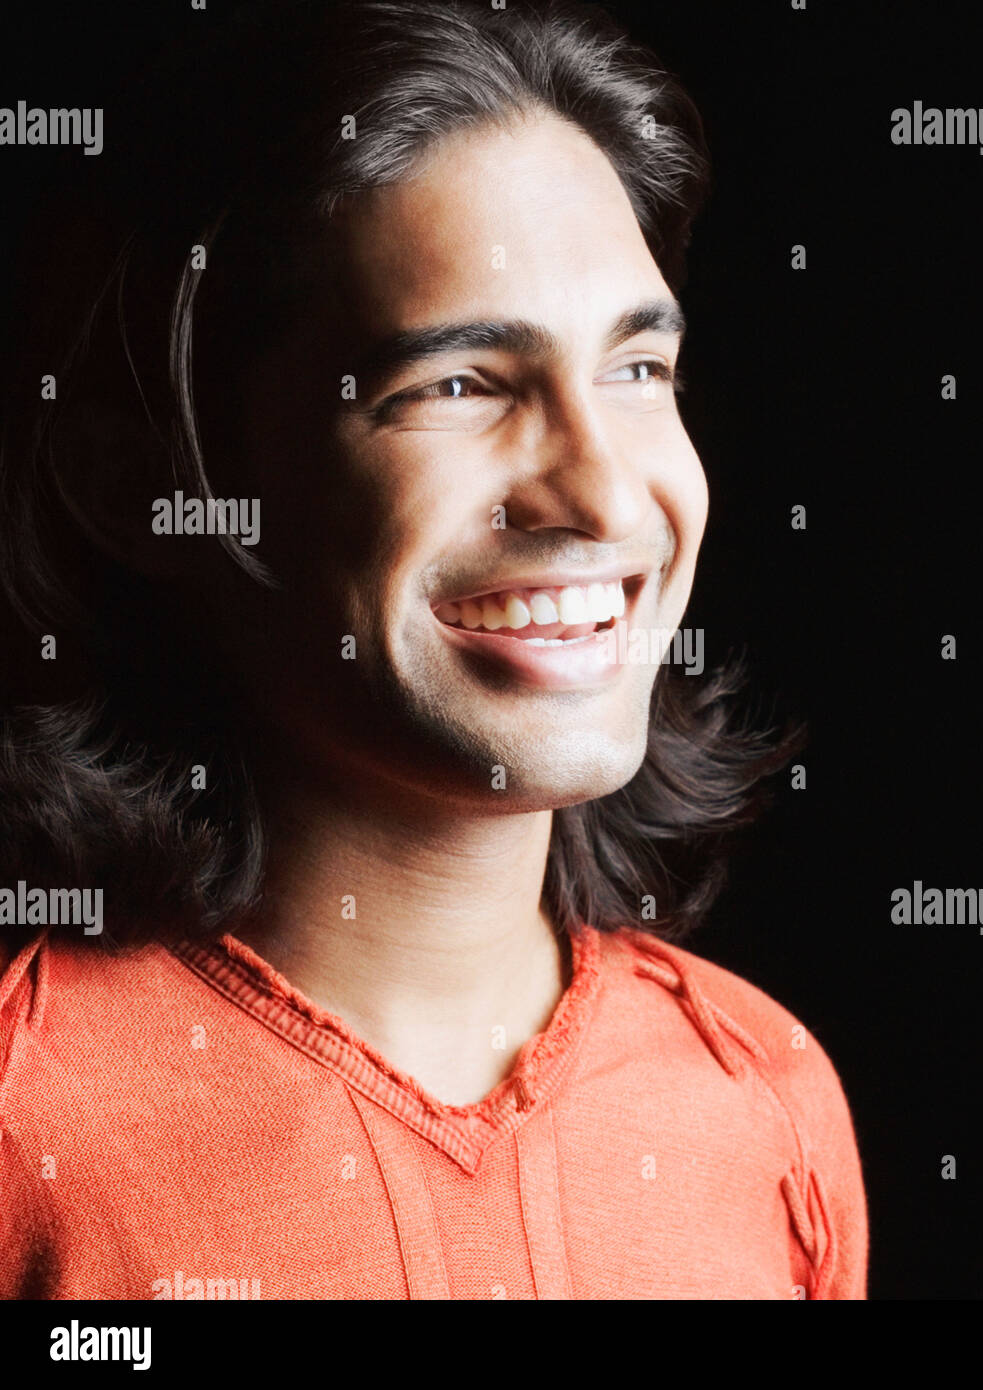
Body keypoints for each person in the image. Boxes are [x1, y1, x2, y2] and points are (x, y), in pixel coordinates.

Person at [0, 0, 867, 1299]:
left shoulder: (763, 1099)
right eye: (459, 386)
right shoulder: (29, 1126)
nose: (608, 500)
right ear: (148, 485)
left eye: (639, 370)